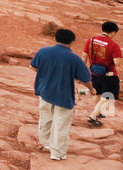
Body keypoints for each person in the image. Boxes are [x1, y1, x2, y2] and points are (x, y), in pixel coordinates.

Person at [30, 28, 93, 160]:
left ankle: (45, 143)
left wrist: (47, 74)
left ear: (56, 38)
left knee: (46, 118)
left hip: (45, 90)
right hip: (63, 95)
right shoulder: (74, 59)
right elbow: (86, 79)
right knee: (61, 124)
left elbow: (33, 66)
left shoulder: (43, 51)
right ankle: (57, 153)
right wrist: (92, 90)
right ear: (71, 42)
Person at [83, 21, 123, 127]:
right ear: (113, 32)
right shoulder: (113, 45)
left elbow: (84, 56)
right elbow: (117, 62)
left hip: (94, 72)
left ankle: (98, 112)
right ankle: (93, 116)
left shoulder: (91, 40)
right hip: (108, 75)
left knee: (98, 93)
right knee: (109, 96)